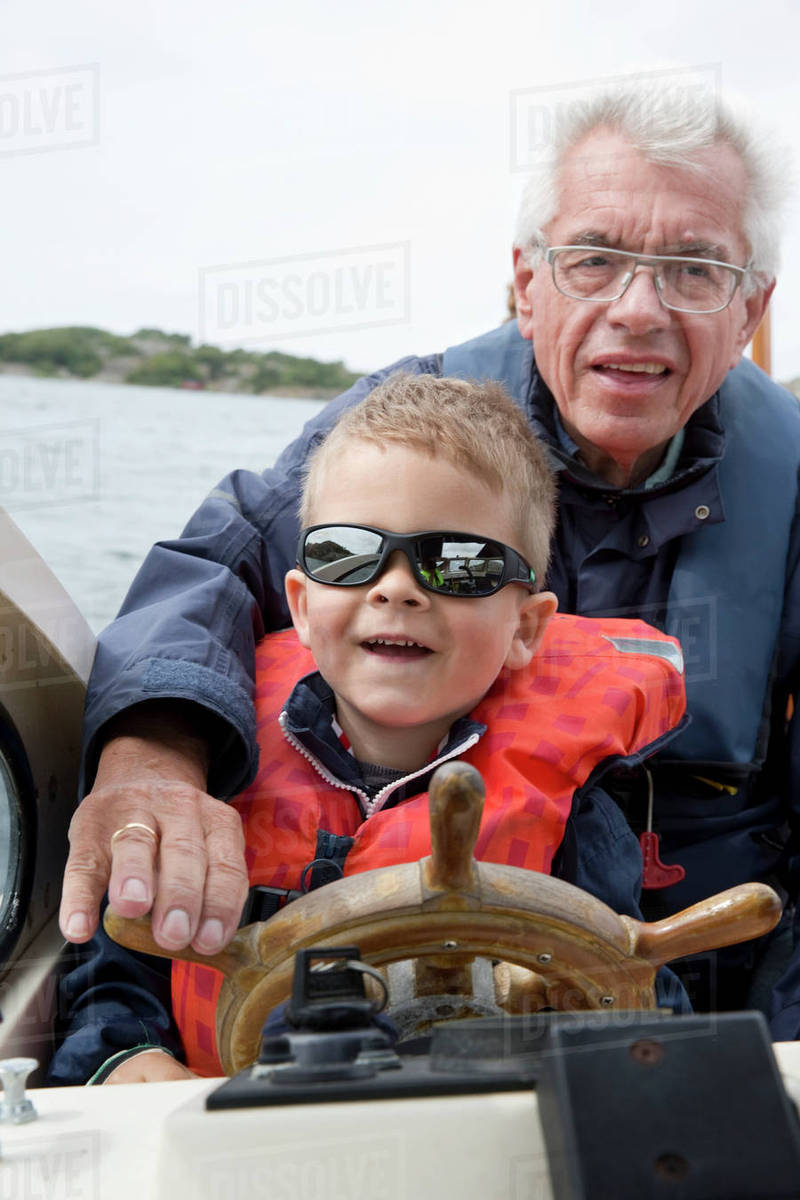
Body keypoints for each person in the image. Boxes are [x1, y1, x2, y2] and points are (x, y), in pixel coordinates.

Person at [59, 84, 800, 1033]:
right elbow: (215, 567)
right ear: (528, 286)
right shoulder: (409, 432)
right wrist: (151, 761)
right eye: (595, 259)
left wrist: (771, 1059)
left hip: (717, 985)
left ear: (751, 310)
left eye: (694, 270)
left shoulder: (791, 487)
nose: (639, 309)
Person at [50, 374, 688, 1084]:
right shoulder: (218, 778)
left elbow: (634, 988)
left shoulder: (574, 814)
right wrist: (132, 1064)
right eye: (345, 554)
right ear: (299, 604)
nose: (395, 587)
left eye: (459, 563)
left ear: (525, 628)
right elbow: (109, 987)